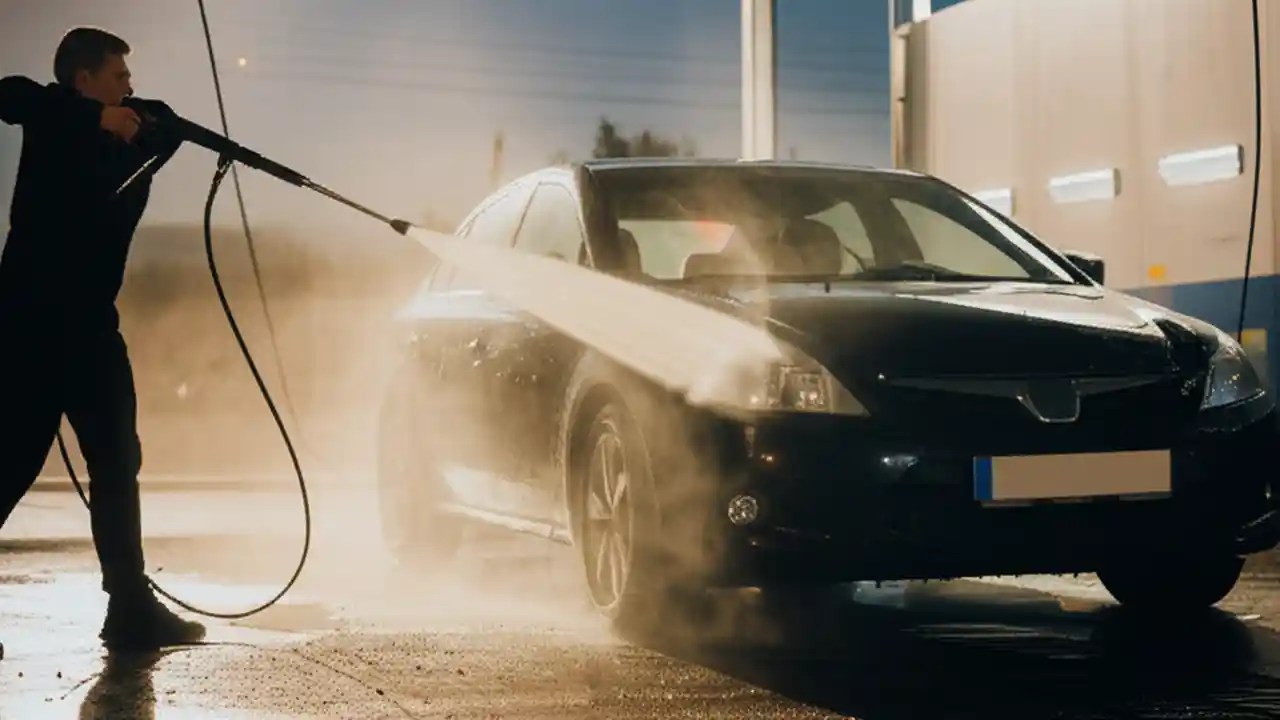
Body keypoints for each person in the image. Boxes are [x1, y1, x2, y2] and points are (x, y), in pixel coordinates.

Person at [0, 27, 206, 650]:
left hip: (91, 328)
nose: (130, 88)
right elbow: (10, 94)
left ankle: (129, 607)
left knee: (118, 461)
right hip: (28, 328)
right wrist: (96, 117)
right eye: (118, 77)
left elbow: (166, 124)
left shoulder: (132, 144)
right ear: (84, 80)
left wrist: (126, 118)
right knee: (10, 464)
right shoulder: (51, 120)